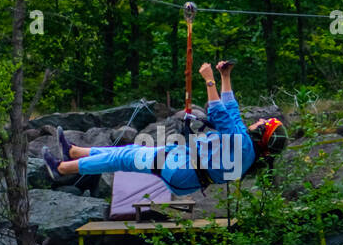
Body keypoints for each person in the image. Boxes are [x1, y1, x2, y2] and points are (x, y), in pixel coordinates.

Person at [40, 61, 287, 195]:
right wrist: (225, 76)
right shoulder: (246, 148)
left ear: (261, 135)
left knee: (124, 157)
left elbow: (219, 114)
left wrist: (209, 79)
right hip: (185, 173)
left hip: (183, 169)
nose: (260, 120)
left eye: (264, 124)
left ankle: (62, 169)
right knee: (125, 154)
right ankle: (73, 152)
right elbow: (231, 111)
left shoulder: (243, 146)